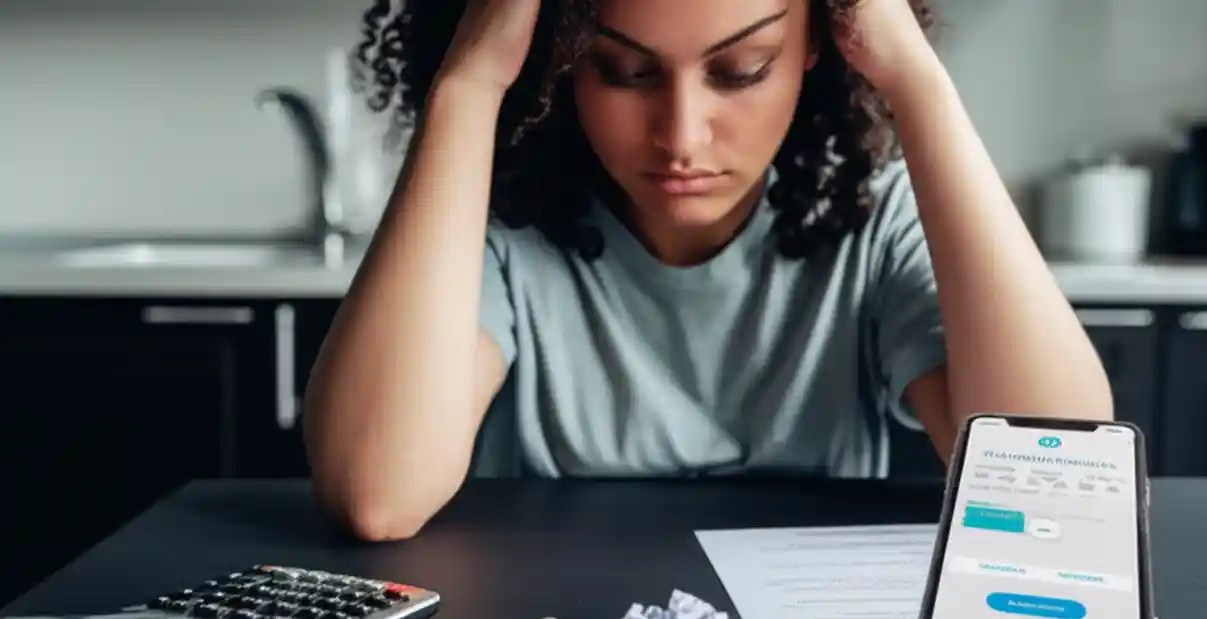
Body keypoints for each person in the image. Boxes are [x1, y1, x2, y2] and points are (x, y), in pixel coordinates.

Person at [302, 0, 1114, 541]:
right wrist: (469, 83)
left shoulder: (875, 220)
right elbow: (378, 495)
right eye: (626, 72)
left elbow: (1052, 479)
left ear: (818, 47)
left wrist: (917, 80)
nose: (682, 135)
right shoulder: (501, 230)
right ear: (560, 62)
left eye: (742, 69)